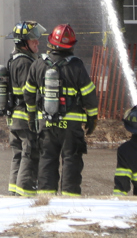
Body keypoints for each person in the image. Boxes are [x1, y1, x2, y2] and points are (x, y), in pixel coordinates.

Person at [34, 23, 99, 197]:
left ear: (51, 42)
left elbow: (28, 93)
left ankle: (46, 199)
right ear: (71, 45)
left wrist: (32, 117)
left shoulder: (39, 64)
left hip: (46, 122)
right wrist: (92, 118)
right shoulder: (76, 66)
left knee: (47, 159)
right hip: (71, 125)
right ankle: (70, 199)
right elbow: (89, 95)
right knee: (71, 159)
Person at [1, 20, 44, 196]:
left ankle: (14, 191)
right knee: (30, 153)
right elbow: (29, 93)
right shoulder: (25, 64)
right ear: (24, 43)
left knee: (18, 154)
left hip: (14, 118)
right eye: (33, 40)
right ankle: (25, 193)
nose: (37, 42)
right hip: (25, 117)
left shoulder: (14, 60)